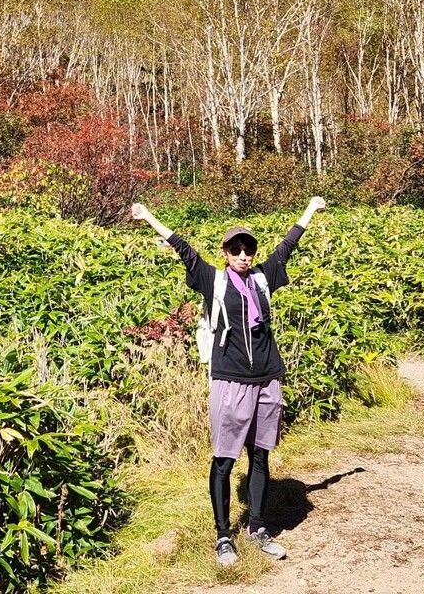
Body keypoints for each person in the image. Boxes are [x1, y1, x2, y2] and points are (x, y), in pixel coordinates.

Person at [130, 195, 328, 567]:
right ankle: (224, 535)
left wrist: (309, 211)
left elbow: (288, 245)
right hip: (230, 380)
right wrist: (148, 217)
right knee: (224, 459)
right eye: (235, 249)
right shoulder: (214, 281)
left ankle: (257, 526)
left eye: (247, 249)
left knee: (260, 455)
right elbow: (184, 250)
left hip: (268, 378)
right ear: (225, 252)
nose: (242, 255)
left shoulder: (263, 278)